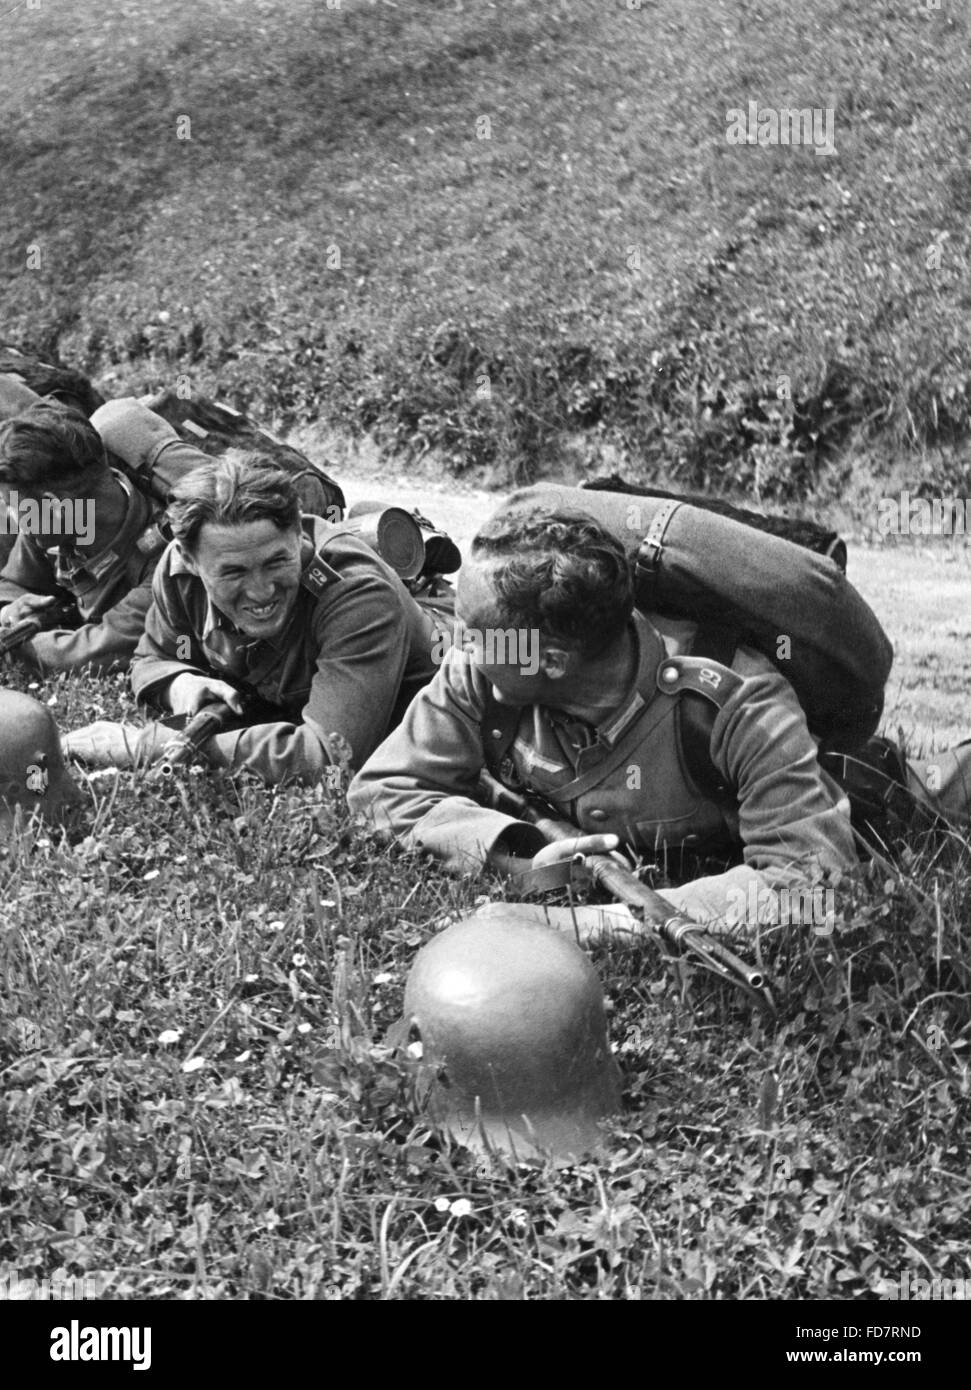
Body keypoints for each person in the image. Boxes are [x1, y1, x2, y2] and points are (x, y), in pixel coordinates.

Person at [348, 504, 971, 939]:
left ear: (553, 659)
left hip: (859, 788)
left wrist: (604, 922)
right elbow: (382, 791)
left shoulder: (734, 700)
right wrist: (516, 852)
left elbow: (814, 886)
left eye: (477, 633)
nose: (457, 643)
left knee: (935, 791)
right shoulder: (487, 670)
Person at [63, 452, 441, 783]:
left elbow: (329, 758)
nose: (261, 591)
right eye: (234, 573)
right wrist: (180, 683)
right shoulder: (179, 571)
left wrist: (153, 744)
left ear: (298, 533)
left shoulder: (355, 595)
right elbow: (152, 657)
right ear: (191, 559)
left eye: (277, 562)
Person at [0, 399, 166, 672]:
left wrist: (13, 644)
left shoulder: (161, 556)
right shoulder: (55, 524)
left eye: (12, 505)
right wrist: (10, 611)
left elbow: (97, 650)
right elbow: (13, 584)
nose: (12, 517)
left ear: (53, 504)